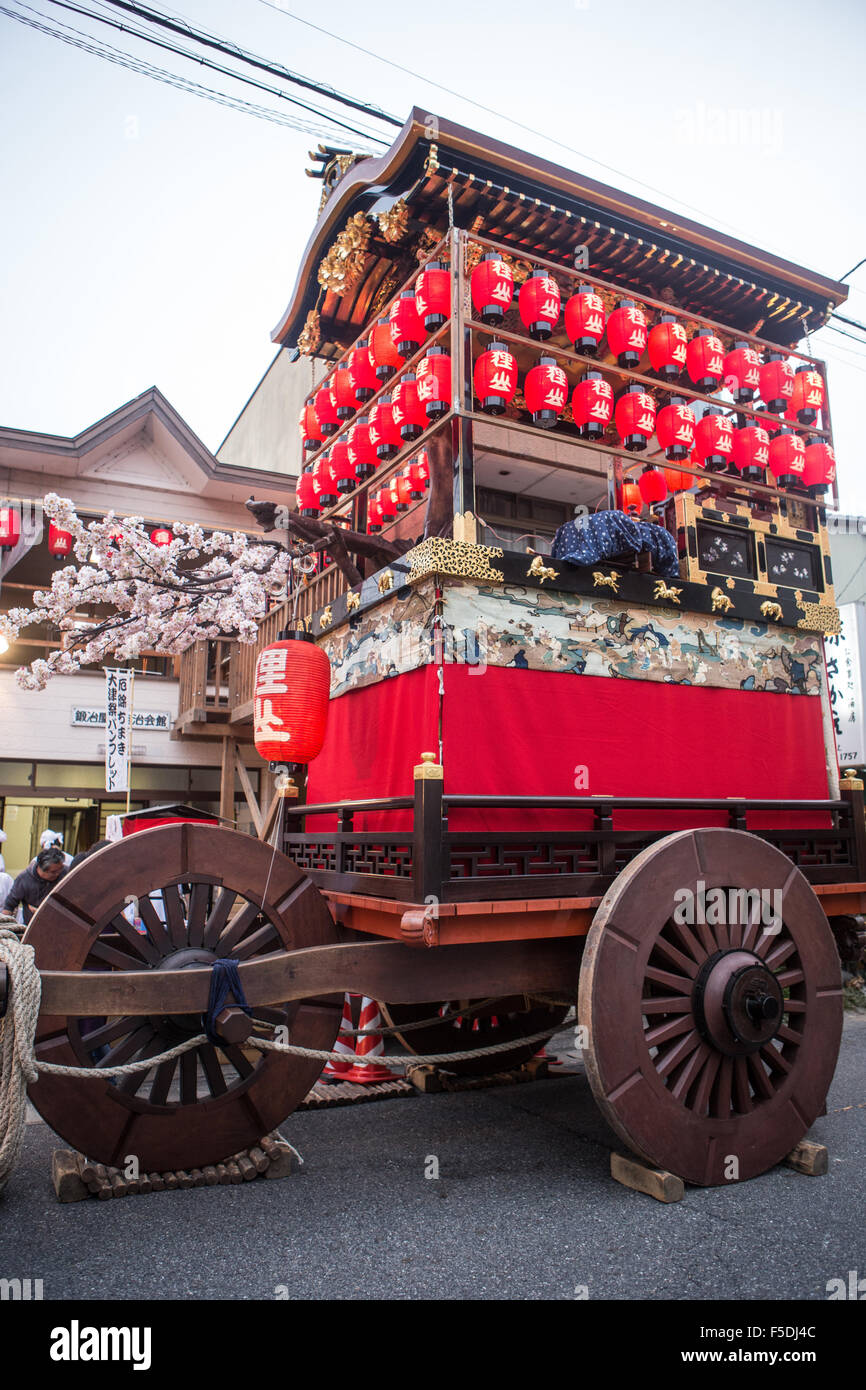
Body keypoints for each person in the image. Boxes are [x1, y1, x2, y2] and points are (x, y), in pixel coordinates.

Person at [4, 846, 68, 925]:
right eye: (54, 872)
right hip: (33, 925)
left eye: (60, 869)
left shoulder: (66, 873)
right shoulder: (24, 879)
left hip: (61, 923)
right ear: (41, 869)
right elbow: (10, 905)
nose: (58, 874)